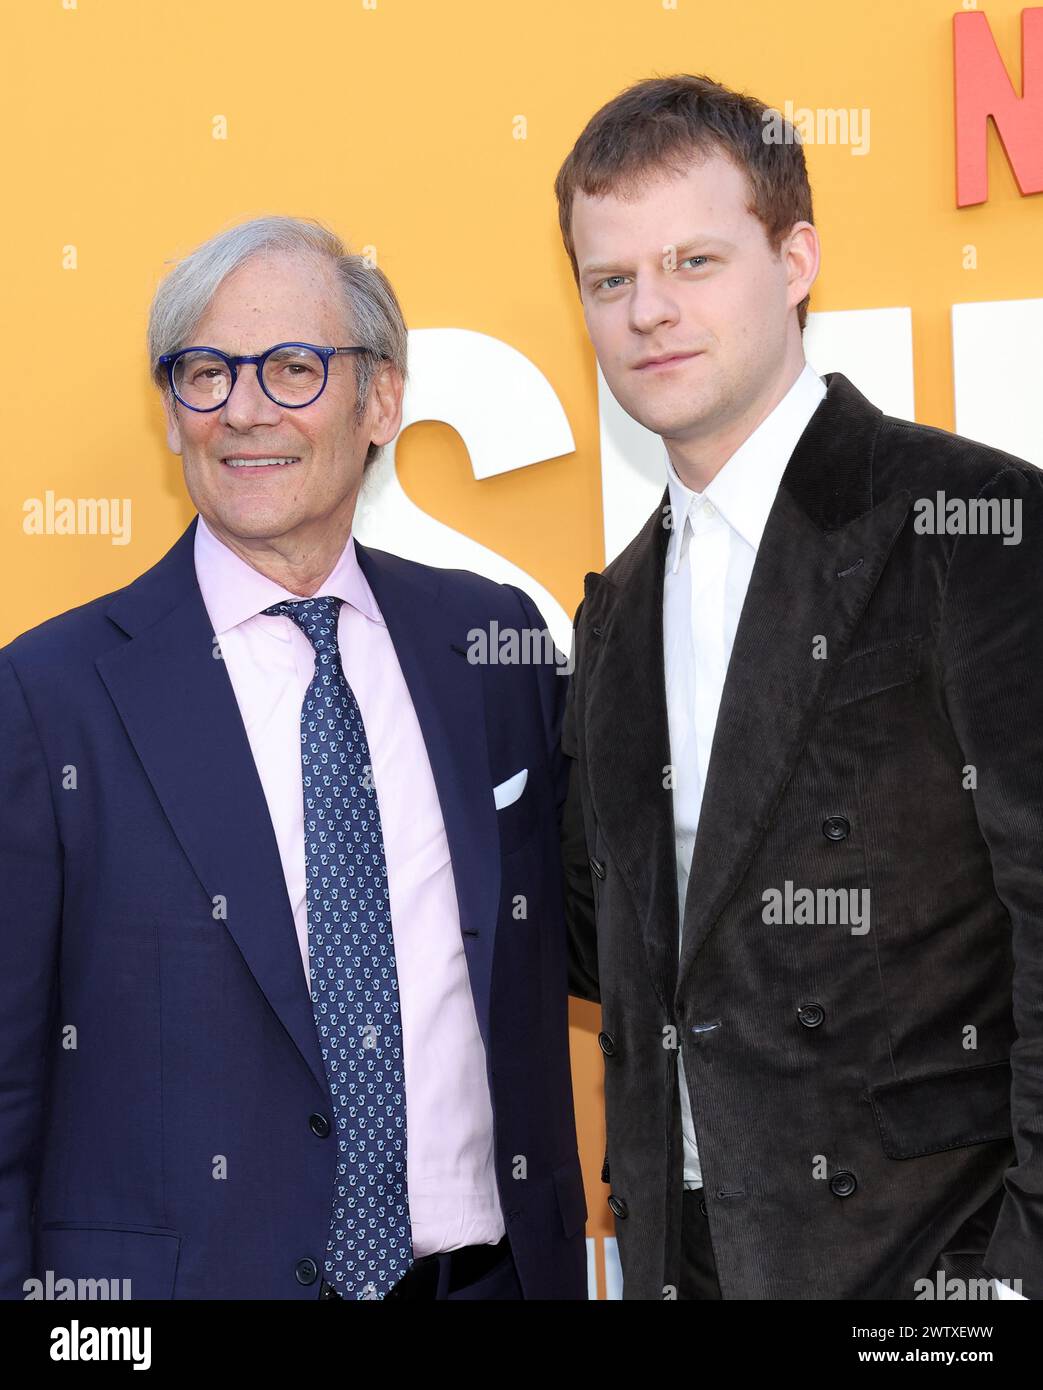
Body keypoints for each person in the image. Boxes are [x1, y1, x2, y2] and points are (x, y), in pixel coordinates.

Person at [0, 215, 586, 1301]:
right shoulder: (49, 694)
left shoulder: (490, 646)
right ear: (171, 411)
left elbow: (608, 924)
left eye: (293, 367)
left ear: (379, 399)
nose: (245, 410)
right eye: (206, 374)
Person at [556, 74, 1041, 1300]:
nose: (647, 313)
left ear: (796, 258)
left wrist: (1015, 1280)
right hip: (691, 1260)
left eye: (694, 261)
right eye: (609, 281)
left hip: (932, 1261)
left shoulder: (968, 523)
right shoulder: (612, 612)